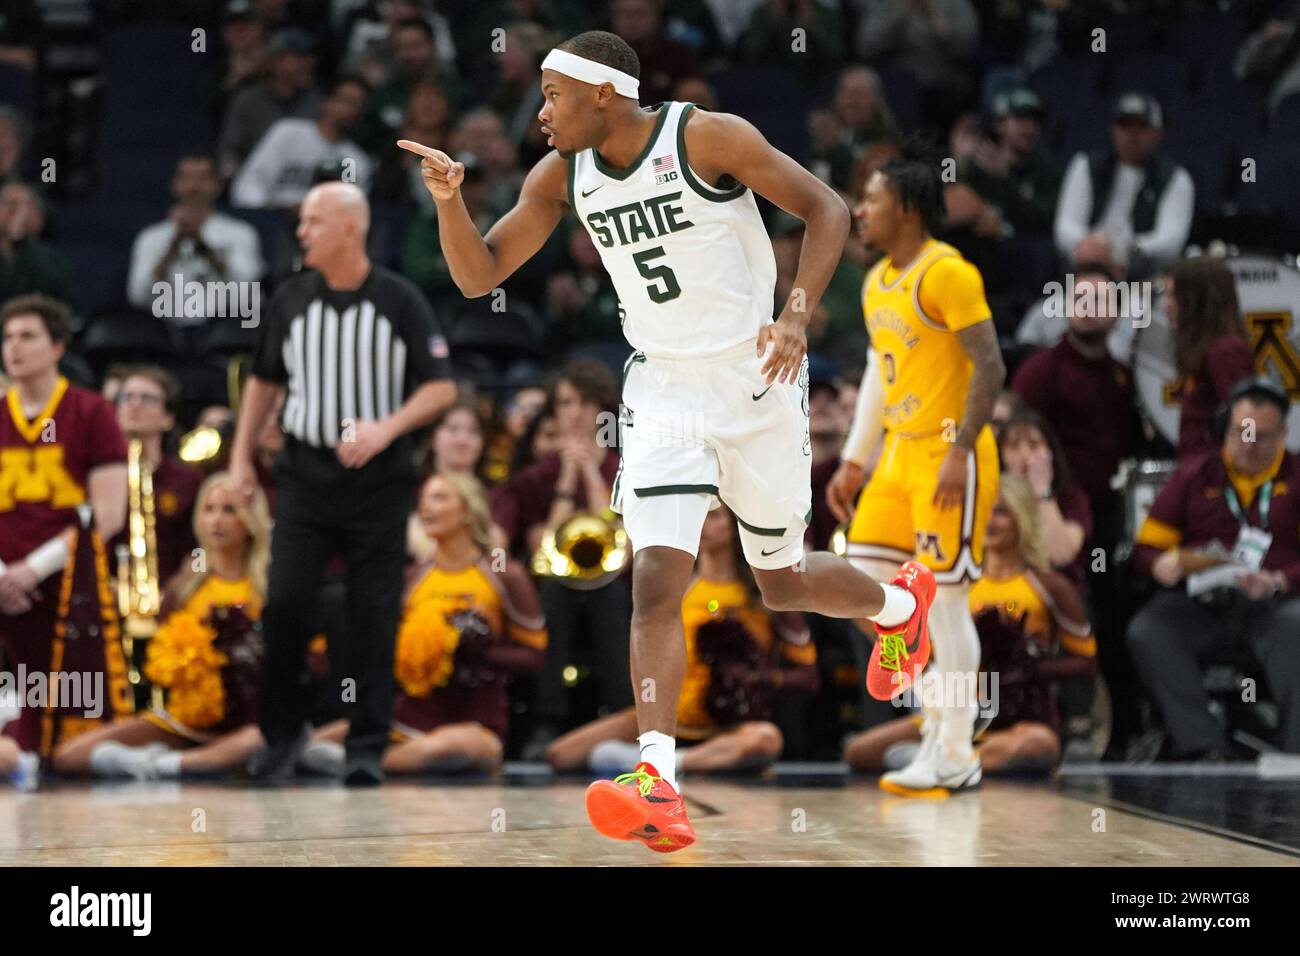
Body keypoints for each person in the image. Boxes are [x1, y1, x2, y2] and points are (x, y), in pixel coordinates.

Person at [400, 29, 933, 852]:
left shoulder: (705, 136)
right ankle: (658, 781)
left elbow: (827, 208)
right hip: (663, 390)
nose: (539, 114)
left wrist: (797, 313)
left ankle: (901, 605)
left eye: (552, 95)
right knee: (656, 578)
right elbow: (479, 276)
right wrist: (448, 202)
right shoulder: (560, 176)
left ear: (603, 94)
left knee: (783, 584)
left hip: (757, 377)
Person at [226, 182, 457, 786]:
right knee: (285, 604)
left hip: (379, 482)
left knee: (374, 613)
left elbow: (441, 386)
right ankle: (281, 736)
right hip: (304, 475)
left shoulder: (400, 300)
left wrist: (387, 428)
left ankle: (366, 746)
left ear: (350, 229)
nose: (301, 233)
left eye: (313, 222)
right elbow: (263, 381)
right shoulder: (290, 299)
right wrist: (239, 458)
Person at [827, 143, 1005, 795]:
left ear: (904, 206)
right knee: (864, 581)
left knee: (948, 601)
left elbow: (990, 365)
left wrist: (960, 450)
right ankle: (941, 715)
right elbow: (879, 372)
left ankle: (954, 747)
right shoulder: (877, 282)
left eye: (870, 199)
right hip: (899, 453)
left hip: (949, 452)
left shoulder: (948, 273)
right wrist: (853, 457)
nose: (859, 210)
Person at [844, 475, 1096, 777]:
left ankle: (948, 760)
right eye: (983, 511)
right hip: (958, 710)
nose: (990, 521)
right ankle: (953, 757)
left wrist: (1033, 667)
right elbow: (926, 648)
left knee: (1038, 744)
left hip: (1020, 718)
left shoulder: (1048, 584)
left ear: (1021, 517)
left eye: (1001, 512)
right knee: (859, 751)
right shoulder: (952, 583)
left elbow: (1086, 661)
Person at [300, 472, 546, 775]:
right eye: (424, 499)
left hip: (476, 723)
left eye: (440, 497)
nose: (426, 506)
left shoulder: (503, 572)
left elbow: (535, 656)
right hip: (412, 716)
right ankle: (347, 760)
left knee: (443, 747)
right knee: (317, 740)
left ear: (468, 511)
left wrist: (477, 651)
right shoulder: (413, 576)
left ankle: (360, 764)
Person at [547, 507, 817, 775]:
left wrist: (757, 678)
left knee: (765, 739)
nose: (701, 525)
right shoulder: (677, 585)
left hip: (730, 724)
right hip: (669, 718)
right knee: (561, 754)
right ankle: (672, 758)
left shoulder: (764, 593)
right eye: (698, 516)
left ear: (735, 525)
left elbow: (809, 677)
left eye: (713, 517)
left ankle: (662, 764)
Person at [51, 474, 272, 779]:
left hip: (252, 722)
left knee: (263, 740)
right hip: (187, 720)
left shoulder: (268, 588)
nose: (216, 520)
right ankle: (172, 761)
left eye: (229, 510)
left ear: (250, 519)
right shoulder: (186, 586)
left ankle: (166, 765)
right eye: (209, 509)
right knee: (69, 756)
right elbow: (159, 655)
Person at [1129, 378, 1300, 758]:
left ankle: (1294, 754)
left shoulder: (1296, 477)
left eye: (1261, 435)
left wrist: (1280, 580)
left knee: (1297, 627)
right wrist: (1163, 564)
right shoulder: (1195, 475)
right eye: (1241, 432)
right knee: (1149, 630)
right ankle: (1204, 747)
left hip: (1273, 605)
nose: (1249, 444)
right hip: (1202, 603)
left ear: (1283, 433)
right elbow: (1146, 549)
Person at [0, 295, 130, 758]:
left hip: (70, 586)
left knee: (67, 730)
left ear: (57, 347)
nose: (14, 347)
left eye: (28, 336)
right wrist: (4, 576)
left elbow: (109, 514)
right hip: (2, 582)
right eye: (9, 337)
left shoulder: (91, 412)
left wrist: (32, 570)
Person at [1054, 92, 1194, 280]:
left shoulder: (1176, 178)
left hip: (1141, 271)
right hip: (1087, 262)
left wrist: (1124, 251)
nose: (1132, 135)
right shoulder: (1086, 165)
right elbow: (1065, 226)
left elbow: (1170, 240)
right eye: (1125, 126)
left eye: (1141, 126)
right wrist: (1092, 246)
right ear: (1113, 130)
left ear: (1158, 133)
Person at [126, 154, 264, 317]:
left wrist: (205, 248)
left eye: (203, 179)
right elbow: (137, 297)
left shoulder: (241, 233)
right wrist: (173, 247)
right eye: (186, 178)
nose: (194, 186)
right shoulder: (151, 237)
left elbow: (251, 296)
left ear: (218, 185)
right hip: (165, 330)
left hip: (223, 328)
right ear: (174, 184)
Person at [112, 366, 206, 583]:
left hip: (173, 600)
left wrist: (177, 591)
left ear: (168, 419)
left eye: (147, 398)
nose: (134, 404)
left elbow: (200, 550)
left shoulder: (189, 481)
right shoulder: (100, 479)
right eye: (126, 397)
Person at [231, 76, 373, 209]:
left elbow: (352, 212)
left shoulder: (358, 162)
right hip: (274, 218)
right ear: (326, 102)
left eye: (357, 105)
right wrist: (267, 215)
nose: (349, 110)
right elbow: (251, 181)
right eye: (345, 101)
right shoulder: (288, 132)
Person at [1163, 256, 1255, 462]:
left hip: (1214, 478)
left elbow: (1249, 417)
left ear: (1196, 299)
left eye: (1172, 296)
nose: (1165, 305)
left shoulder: (1225, 351)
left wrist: (1246, 466)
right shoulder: (1209, 349)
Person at [996, 411, 1090, 589]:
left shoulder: (1072, 498)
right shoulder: (992, 497)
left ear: (1050, 451)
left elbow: (1060, 555)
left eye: (1034, 445)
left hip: (1059, 594)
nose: (1025, 454)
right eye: (1013, 446)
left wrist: (1042, 492)